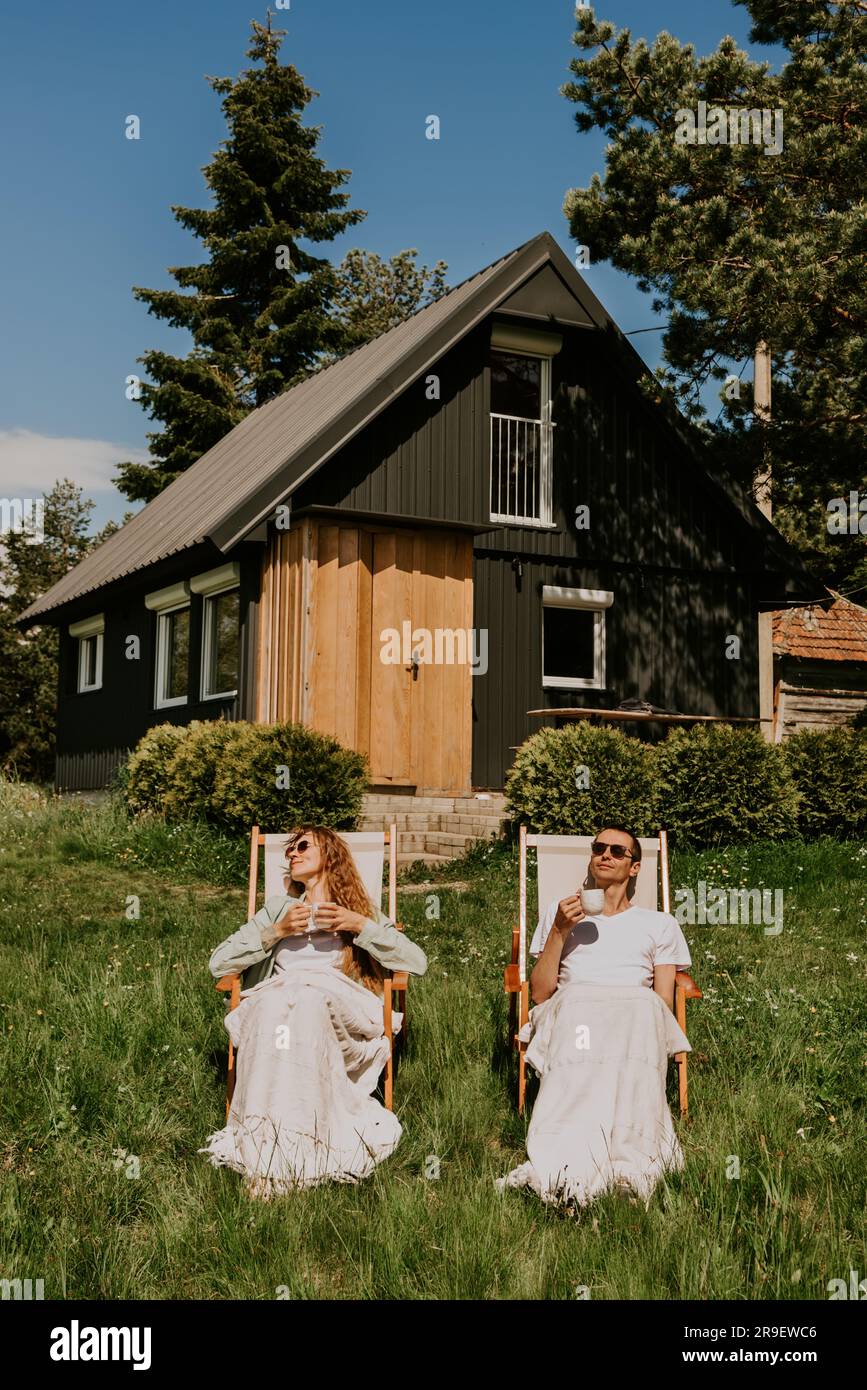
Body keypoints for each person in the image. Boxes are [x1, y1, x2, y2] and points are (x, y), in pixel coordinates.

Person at [199, 826, 427, 1198]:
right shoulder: (277, 910)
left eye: (303, 846)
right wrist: (275, 932)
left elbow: (416, 962)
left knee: (306, 1001)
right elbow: (218, 963)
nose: (292, 854)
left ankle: (288, 1155)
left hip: (335, 1013)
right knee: (278, 1003)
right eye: (289, 851)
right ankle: (270, 1158)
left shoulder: (360, 910)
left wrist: (359, 926)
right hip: (280, 1003)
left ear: (330, 854)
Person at [497, 826, 692, 1209]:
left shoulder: (659, 925)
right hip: (574, 1009)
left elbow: (662, 1001)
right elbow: (539, 993)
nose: (605, 854)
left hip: (632, 1016)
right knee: (579, 1001)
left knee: (641, 1007)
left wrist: (630, 1004)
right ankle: (574, 1154)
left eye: (617, 851)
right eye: (599, 848)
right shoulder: (562, 913)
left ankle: (627, 1158)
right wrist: (559, 930)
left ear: (634, 867)